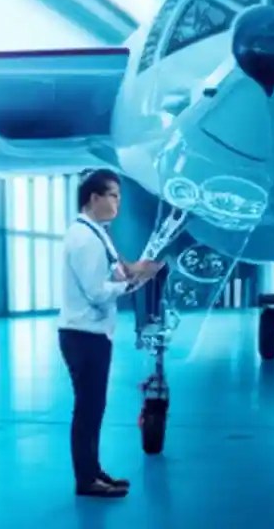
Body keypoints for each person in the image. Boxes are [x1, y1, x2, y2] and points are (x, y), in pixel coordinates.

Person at [59, 169, 160, 498]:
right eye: (113, 196)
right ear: (94, 198)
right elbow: (97, 291)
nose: (118, 203)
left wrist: (137, 271)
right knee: (87, 409)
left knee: (93, 407)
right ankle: (86, 480)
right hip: (84, 335)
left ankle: (93, 471)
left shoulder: (96, 233)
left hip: (92, 333)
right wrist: (129, 284)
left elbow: (118, 271)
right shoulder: (85, 238)